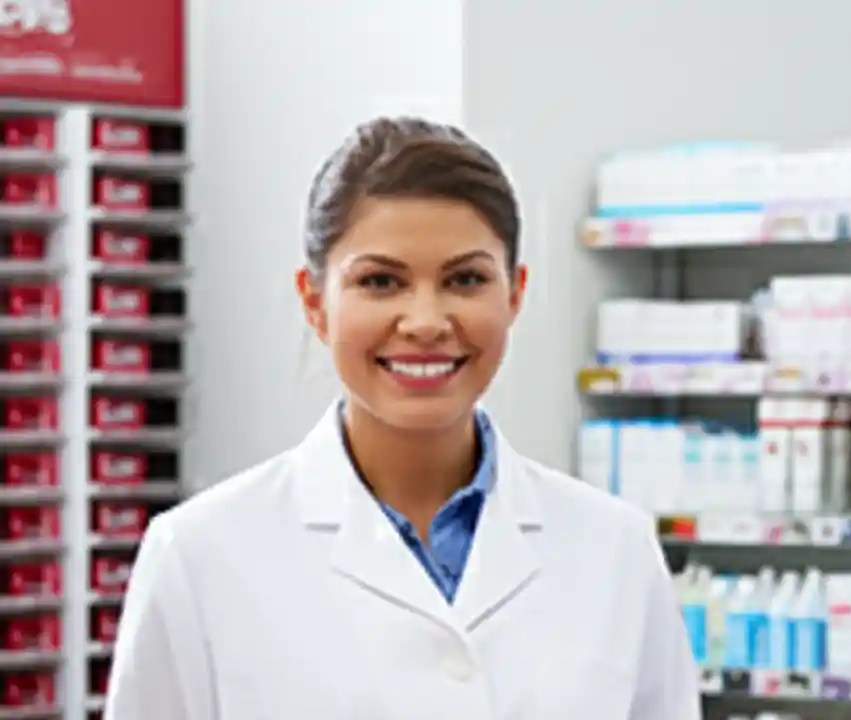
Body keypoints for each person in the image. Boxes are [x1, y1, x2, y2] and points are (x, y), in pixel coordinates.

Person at [103, 118, 702, 720]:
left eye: (465, 279)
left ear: (515, 294)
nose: (424, 321)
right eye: (380, 282)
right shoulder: (199, 556)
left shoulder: (615, 550)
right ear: (315, 302)